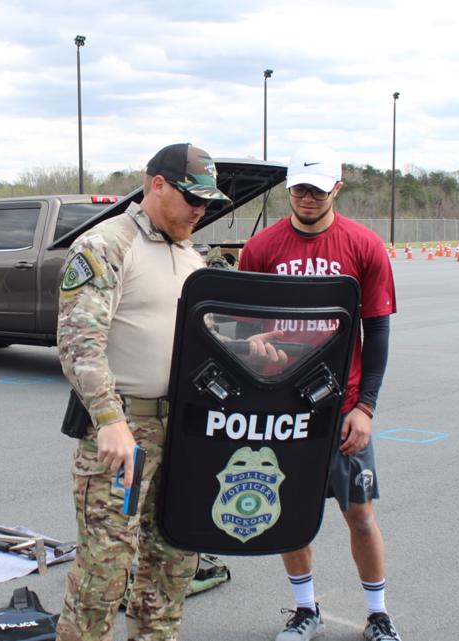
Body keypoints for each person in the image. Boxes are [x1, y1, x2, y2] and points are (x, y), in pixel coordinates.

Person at [55, 142, 230, 641]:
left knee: (172, 565)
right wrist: (110, 421)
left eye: (206, 202)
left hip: (181, 433)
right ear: (157, 185)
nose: (200, 210)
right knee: (104, 573)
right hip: (122, 436)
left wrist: (250, 346)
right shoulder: (107, 244)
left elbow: (203, 338)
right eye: (192, 198)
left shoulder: (191, 256)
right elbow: (78, 344)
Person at [238, 144, 400, 641]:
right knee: (288, 512)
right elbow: (244, 329)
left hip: (342, 407)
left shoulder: (364, 245)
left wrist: (366, 407)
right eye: (299, 188)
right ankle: (305, 608)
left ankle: (378, 614)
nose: (307, 197)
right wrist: (253, 344)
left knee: (361, 515)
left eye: (317, 188)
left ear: (337, 187)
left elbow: (378, 333)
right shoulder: (262, 248)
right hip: (282, 405)